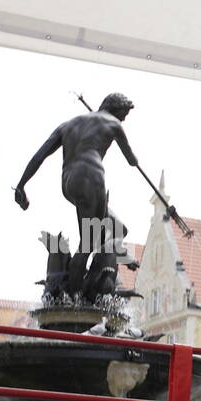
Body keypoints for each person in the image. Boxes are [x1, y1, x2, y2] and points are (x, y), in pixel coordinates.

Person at [14, 92, 140, 299]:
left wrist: (21, 185)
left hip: (69, 182)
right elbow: (131, 160)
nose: (124, 119)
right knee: (88, 244)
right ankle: (76, 298)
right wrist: (134, 158)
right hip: (91, 178)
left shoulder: (68, 124)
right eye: (124, 114)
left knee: (118, 228)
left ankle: (92, 277)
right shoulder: (114, 124)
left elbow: (41, 154)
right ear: (117, 110)